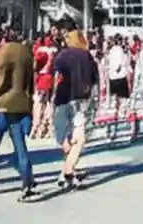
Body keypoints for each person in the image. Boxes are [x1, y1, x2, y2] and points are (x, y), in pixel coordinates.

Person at [0, 30, 37, 201]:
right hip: (21, 103)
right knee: (21, 146)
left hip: (4, 104)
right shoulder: (27, 54)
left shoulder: (3, 52)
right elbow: (31, 81)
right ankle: (27, 182)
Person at [52, 29, 98, 189]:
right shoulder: (86, 56)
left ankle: (67, 170)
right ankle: (68, 171)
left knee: (66, 136)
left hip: (62, 99)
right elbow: (95, 79)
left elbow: (56, 76)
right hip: (81, 100)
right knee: (80, 136)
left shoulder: (61, 56)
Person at [104, 34, 135, 142]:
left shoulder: (112, 51)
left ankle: (113, 129)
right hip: (120, 78)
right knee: (124, 103)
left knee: (115, 105)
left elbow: (110, 66)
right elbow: (119, 66)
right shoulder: (120, 51)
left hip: (113, 79)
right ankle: (125, 128)